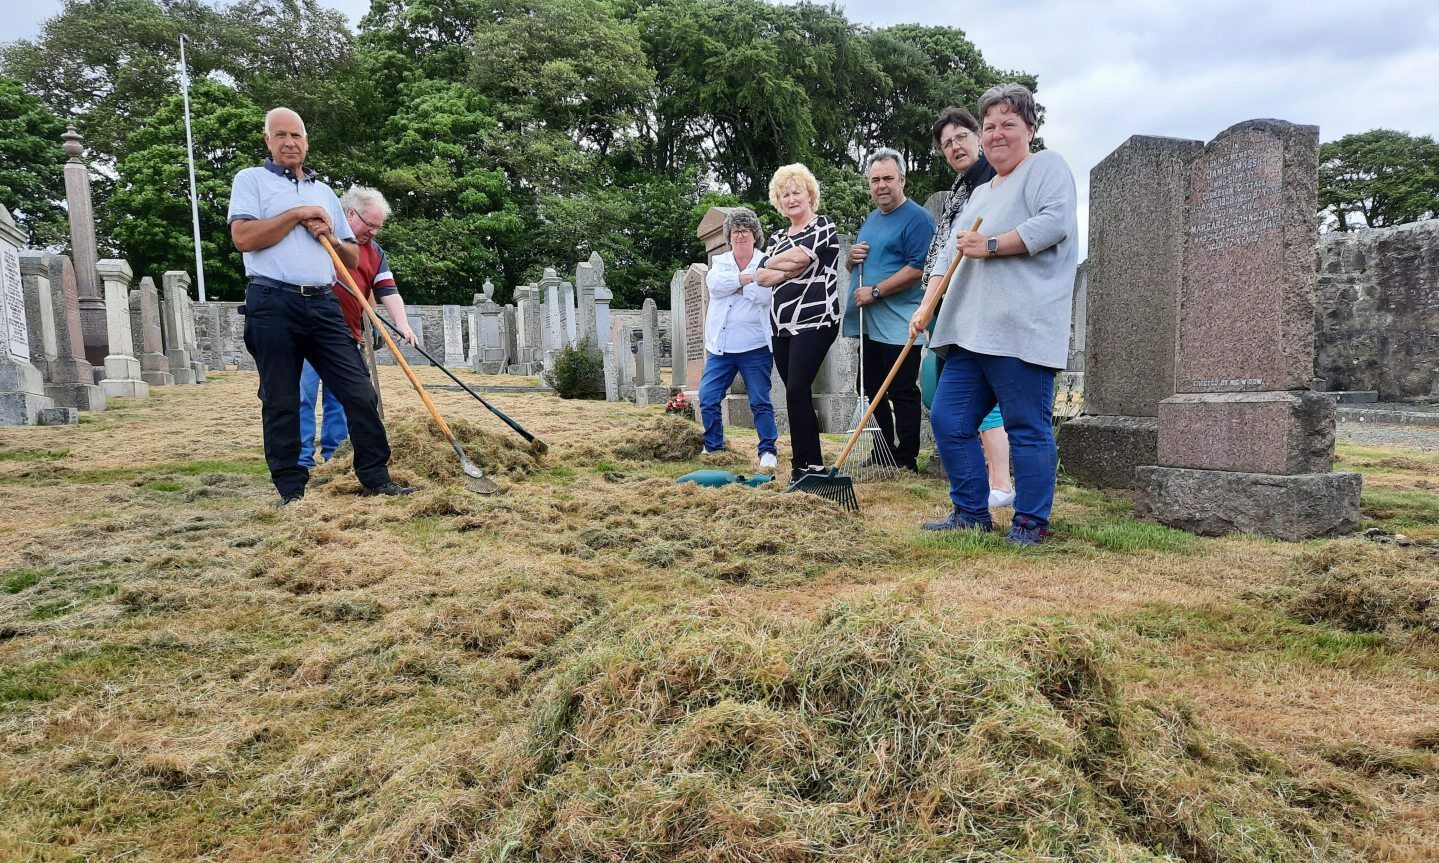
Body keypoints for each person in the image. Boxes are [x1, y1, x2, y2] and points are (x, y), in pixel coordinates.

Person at [910, 83, 1078, 545]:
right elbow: (947, 257)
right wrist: (925, 308)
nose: (998, 133)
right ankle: (970, 511)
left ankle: (1030, 522)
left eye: (1009, 124)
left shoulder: (1046, 167)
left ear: (1030, 128)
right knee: (949, 419)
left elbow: (1053, 223)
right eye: (990, 126)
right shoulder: (981, 193)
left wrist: (991, 245)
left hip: (1019, 328)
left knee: (1027, 427)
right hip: (968, 331)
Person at [228, 107, 415, 505]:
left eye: (296, 135)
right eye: (280, 135)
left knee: (359, 391)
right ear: (267, 140)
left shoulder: (324, 193)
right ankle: (291, 489)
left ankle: (375, 476)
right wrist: (296, 216)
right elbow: (244, 237)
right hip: (272, 301)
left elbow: (348, 257)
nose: (289, 142)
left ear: (306, 142)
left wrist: (328, 231)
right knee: (282, 398)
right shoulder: (251, 181)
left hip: (322, 302)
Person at [922, 107, 1013, 508]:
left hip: (973, 306)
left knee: (982, 399)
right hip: (945, 305)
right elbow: (944, 252)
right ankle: (974, 493)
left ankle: (1000, 483)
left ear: (977, 137)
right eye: (946, 143)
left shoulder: (992, 181)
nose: (955, 146)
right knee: (948, 401)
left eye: (961, 137)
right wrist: (928, 304)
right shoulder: (963, 188)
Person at [298, 185, 417, 468]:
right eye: (370, 225)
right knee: (300, 396)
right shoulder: (320, 237)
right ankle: (301, 461)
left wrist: (402, 325)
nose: (374, 232)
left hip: (346, 336)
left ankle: (334, 456)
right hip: (306, 334)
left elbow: (387, 289)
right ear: (350, 213)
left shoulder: (375, 252)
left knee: (342, 398)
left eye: (378, 227)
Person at [843, 147, 935, 472]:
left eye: (887, 178)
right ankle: (885, 451)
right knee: (868, 388)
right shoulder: (871, 219)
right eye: (874, 180)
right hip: (870, 324)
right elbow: (857, 265)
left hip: (900, 323)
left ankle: (907, 457)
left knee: (901, 390)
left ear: (902, 180)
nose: (880, 185)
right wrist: (849, 259)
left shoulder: (918, 219)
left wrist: (877, 291)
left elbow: (918, 269)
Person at [754, 164, 841, 481]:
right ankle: (804, 465)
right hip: (781, 326)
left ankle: (808, 466)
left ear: (809, 195)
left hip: (816, 319)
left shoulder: (823, 226)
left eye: (796, 192)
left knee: (796, 388)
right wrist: (782, 264)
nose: (791, 199)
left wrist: (779, 263)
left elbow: (801, 259)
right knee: (795, 394)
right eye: (784, 194)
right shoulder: (778, 236)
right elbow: (762, 276)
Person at [699, 209, 779, 471]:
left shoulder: (766, 260)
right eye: (736, 232)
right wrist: (748, 280)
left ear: (755, 236)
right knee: (708, 397)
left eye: (746, 231)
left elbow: (766, 296)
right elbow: (715, 285)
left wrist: (736, 285)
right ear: (729, 237)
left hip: (754, 345)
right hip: (721, 346)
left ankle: (768, 450)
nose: (741, 236)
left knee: (759, 401)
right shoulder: (720, 261)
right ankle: (713, 446)